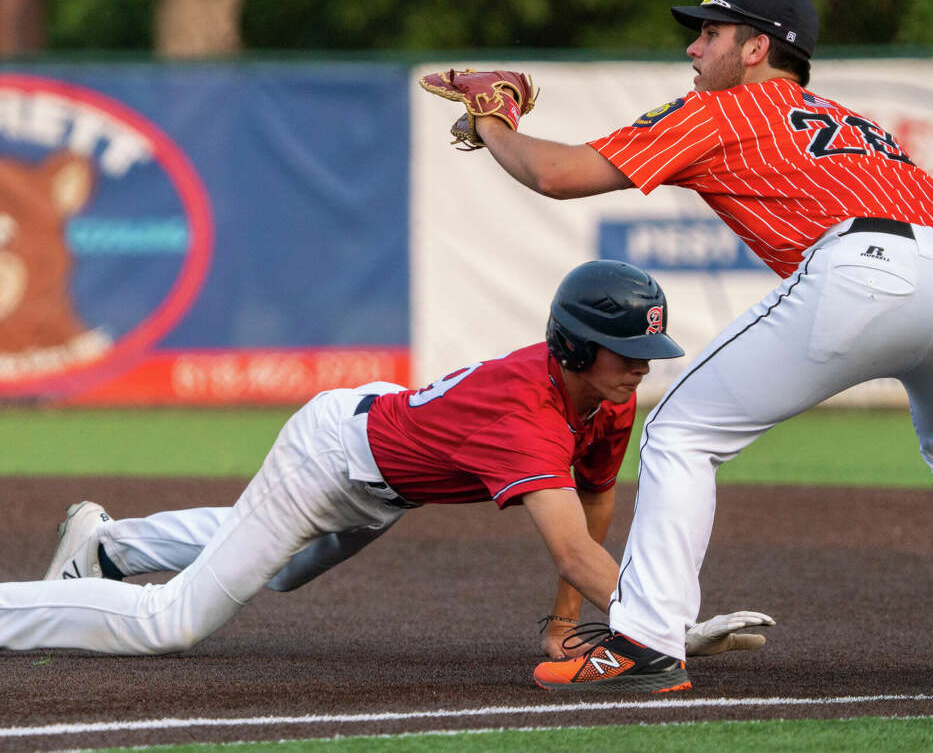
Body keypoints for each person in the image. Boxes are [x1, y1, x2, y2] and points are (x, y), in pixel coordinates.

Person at [421, 0, 933, 694]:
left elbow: (553, 173)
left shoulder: (720, 110)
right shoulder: (847, 118)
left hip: (868, 268)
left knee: (679, 432)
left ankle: (644, 640)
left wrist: (491, 119)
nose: (694, 50)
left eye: (711, 32)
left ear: (758, 46)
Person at [1, 260, 768, 665]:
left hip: (382, 477)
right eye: (628, 349)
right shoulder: (524, 416)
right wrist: (665, 625)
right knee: (173, 622)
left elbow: (595, 504)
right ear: (573, 345)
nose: (642, 365)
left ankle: (108, 543)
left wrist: (565, 627)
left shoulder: (607, 396)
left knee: (279, 567)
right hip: (329, 457)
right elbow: (572, 545)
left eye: (648, 350)